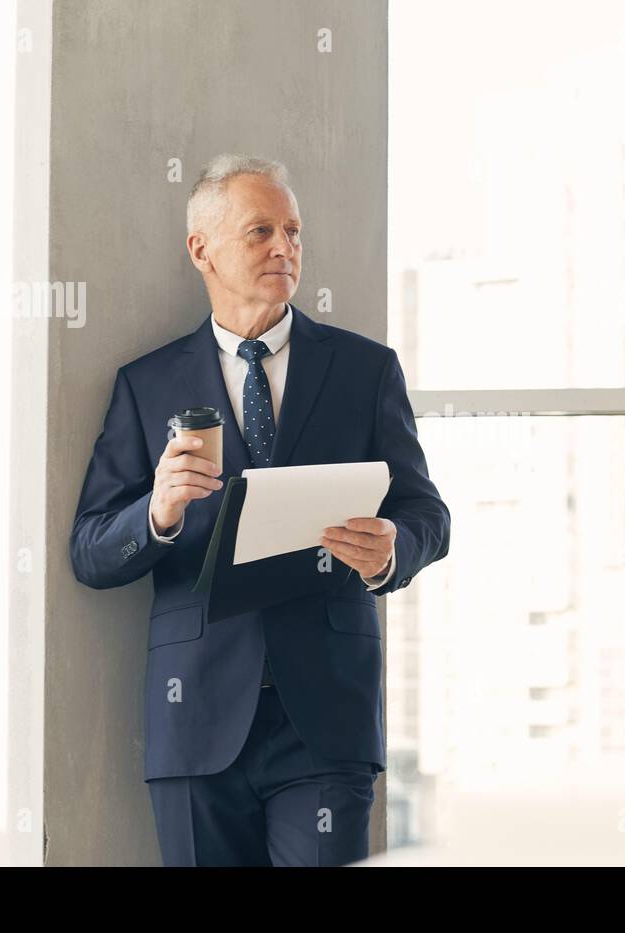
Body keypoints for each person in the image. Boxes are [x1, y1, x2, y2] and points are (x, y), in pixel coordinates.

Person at [69, 154, 450, 865]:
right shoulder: (146, 385)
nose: (285, 248)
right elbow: (89, 551)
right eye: (261, 231)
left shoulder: (365, 371)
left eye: (294, 232)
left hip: (326, 718)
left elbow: (428, 513)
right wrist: (157, 512)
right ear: (201, 249)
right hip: (196, 720)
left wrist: (393, 546)